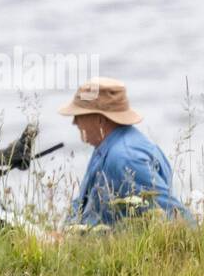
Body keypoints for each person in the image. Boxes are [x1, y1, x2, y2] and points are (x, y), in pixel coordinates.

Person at [56, 77, 192, 228]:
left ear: (100, 120)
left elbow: (173, 215)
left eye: (79, 116)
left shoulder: (125, 159)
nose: (74, 122)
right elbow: (81, 203)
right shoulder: (105, 146)